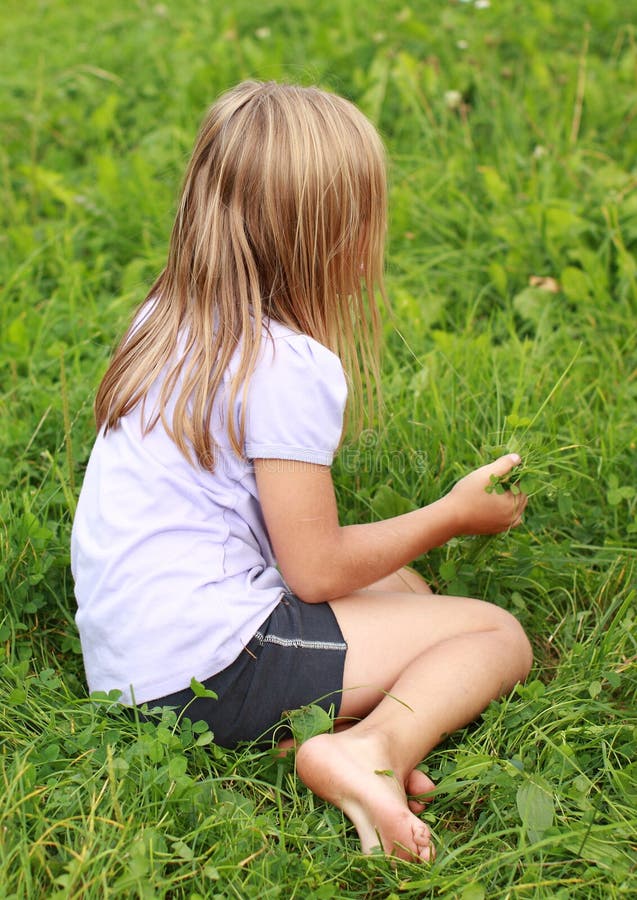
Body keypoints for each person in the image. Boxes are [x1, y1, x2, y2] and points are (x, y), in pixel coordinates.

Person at [71, 80, 532, 864]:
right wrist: (449, 514)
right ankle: (369, 747)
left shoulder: (167, 317)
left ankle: (321, 735)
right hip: (202, 667)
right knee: (493, 633)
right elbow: (314, 570)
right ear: (331, 237)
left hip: (129, 650)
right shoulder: (287, 366)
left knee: (409, 593)